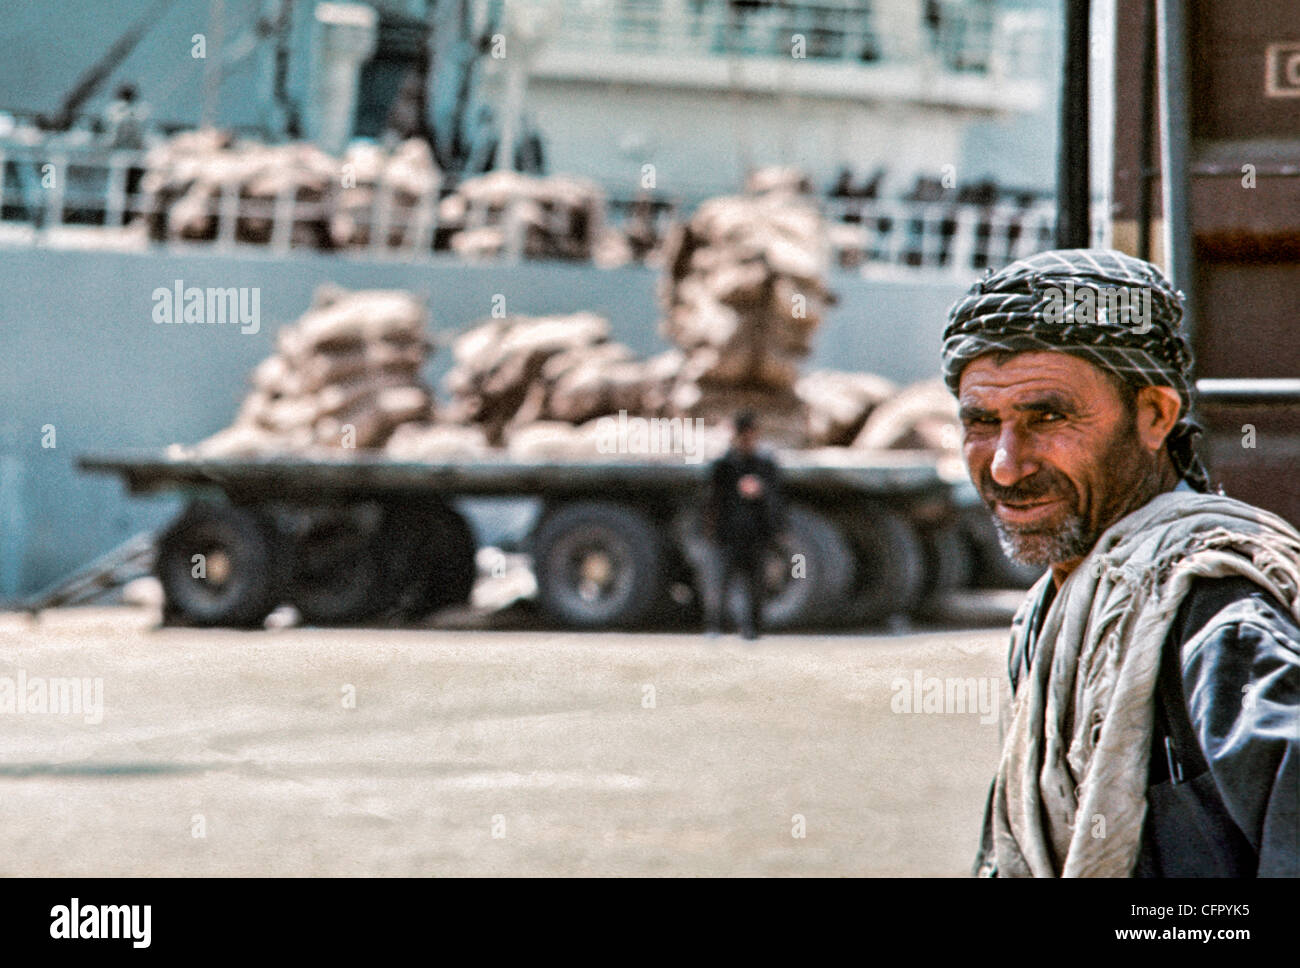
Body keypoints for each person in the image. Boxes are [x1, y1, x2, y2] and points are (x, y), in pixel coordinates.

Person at [941, 249, 1300, 878]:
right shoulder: (1055, 609)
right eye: (981, 422)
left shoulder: (1221, 621)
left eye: (1046, 416)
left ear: (1155, 415)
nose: (1004, 464)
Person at [704, 411, 784, 640]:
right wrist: (711, 530)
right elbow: (712, 500)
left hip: (757, 534)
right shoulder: (724, 465)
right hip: (728, 533)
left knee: (756, 585)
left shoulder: (765, 465)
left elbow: (777, 498)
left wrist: (761, 492)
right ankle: (715, 627)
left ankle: (752, 630)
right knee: (721, 583)